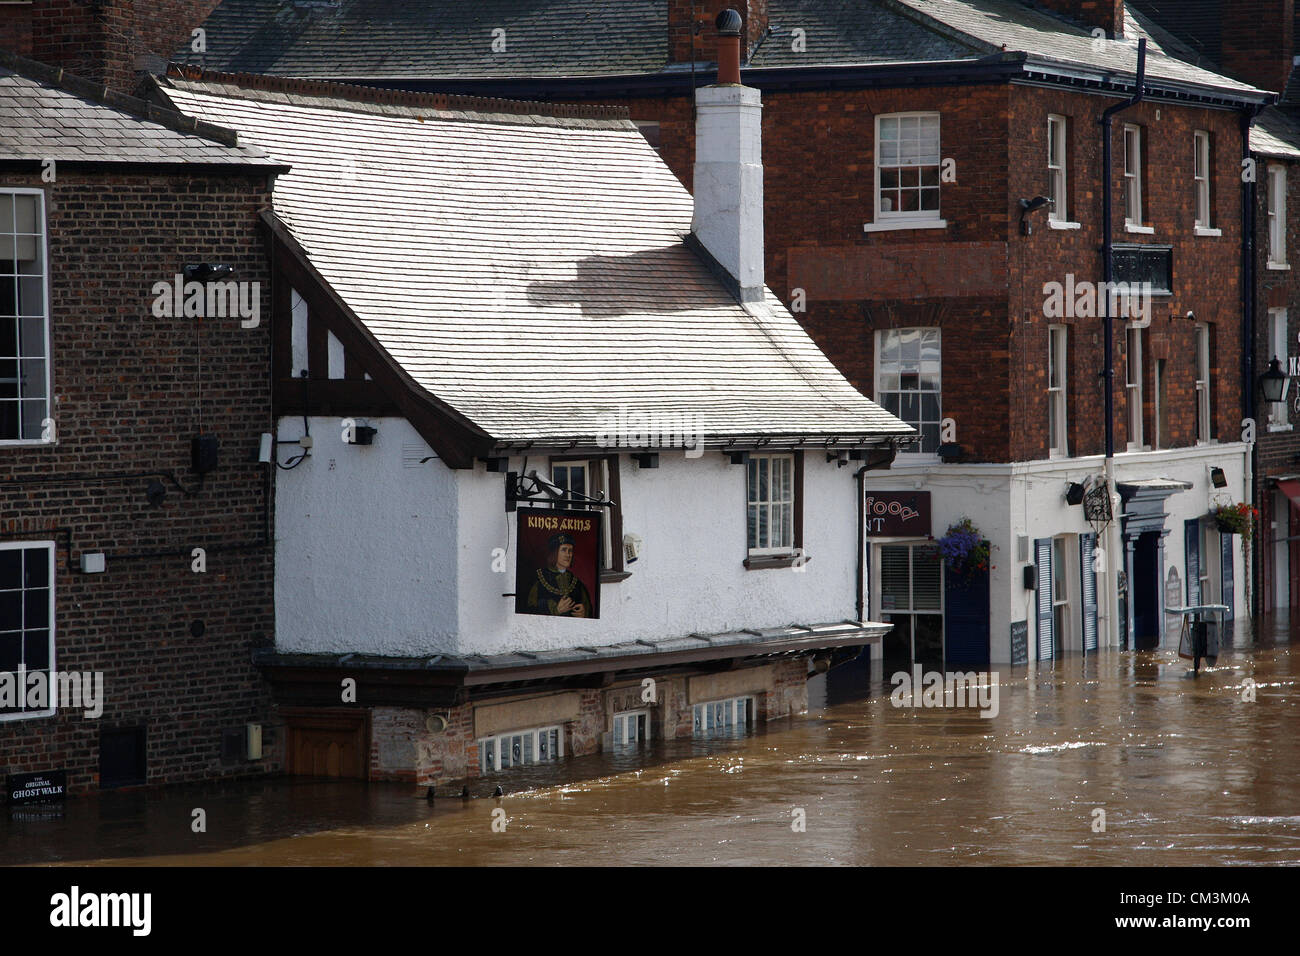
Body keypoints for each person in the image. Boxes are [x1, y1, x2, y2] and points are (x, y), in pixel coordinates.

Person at [525, 533, 593, 617]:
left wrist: (584, 612)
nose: (568, 555)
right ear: (555, 552)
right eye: (564, 550)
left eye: (570, 550)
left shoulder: (576, 582)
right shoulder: (539, 577)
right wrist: (555, 609)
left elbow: (588, 608)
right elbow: (529, 608)